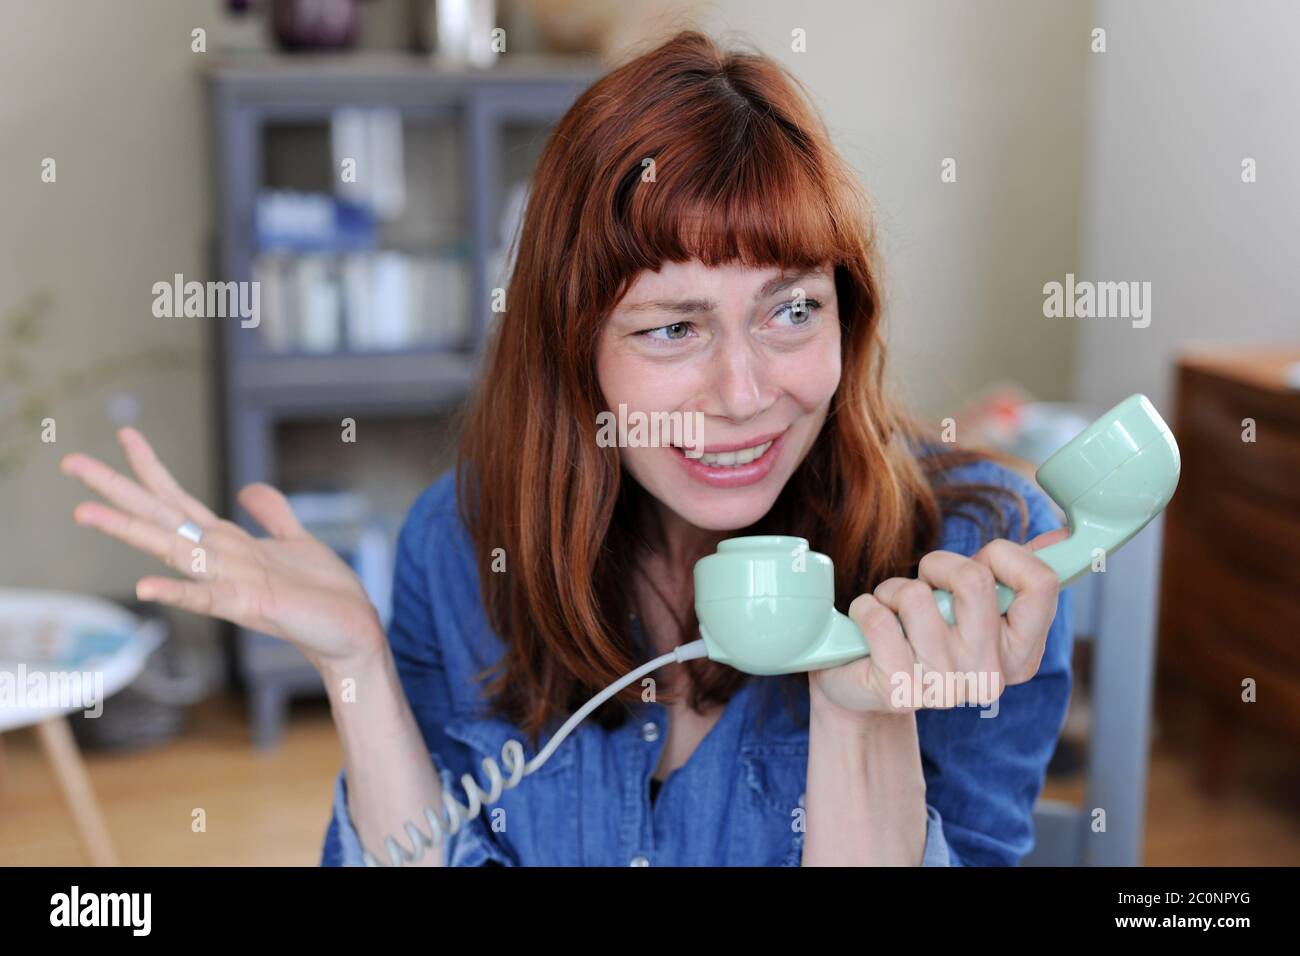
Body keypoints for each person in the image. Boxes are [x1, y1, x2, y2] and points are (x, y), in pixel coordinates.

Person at [60, 30, 1072, 867]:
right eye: (671, 327)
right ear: (571, 353)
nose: (746, 393)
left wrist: (863, 726)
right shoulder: (461, 545)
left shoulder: (973, 558)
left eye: (791, 308)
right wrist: (355, 662)